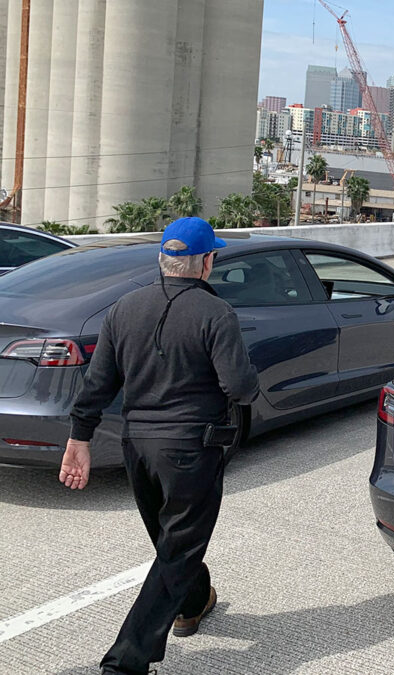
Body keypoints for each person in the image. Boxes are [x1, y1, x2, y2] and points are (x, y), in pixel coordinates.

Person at [59, 217, 259, 675]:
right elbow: (240, 387)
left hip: (136, 447)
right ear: (207, 263)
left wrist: (79, 437)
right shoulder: (216, 313)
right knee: (178, 549)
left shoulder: (123, 309)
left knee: (173, 542)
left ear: (163, 260)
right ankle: (125, 662)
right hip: (190, 449)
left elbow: (98, 383)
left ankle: (192, 603)